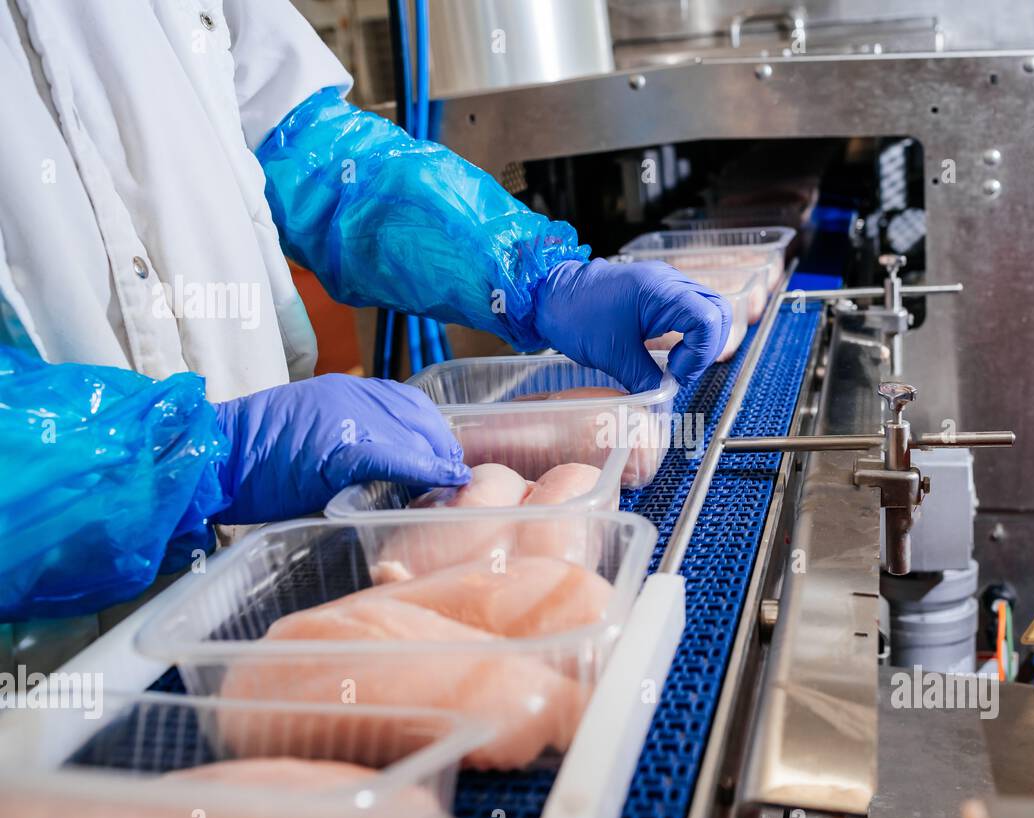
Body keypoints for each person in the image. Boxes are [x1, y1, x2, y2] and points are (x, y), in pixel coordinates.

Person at [0, 1, 730, 639]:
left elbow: (312, 153)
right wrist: (197, 454)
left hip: (264, 569)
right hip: (52, 664)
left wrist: (527, 272)